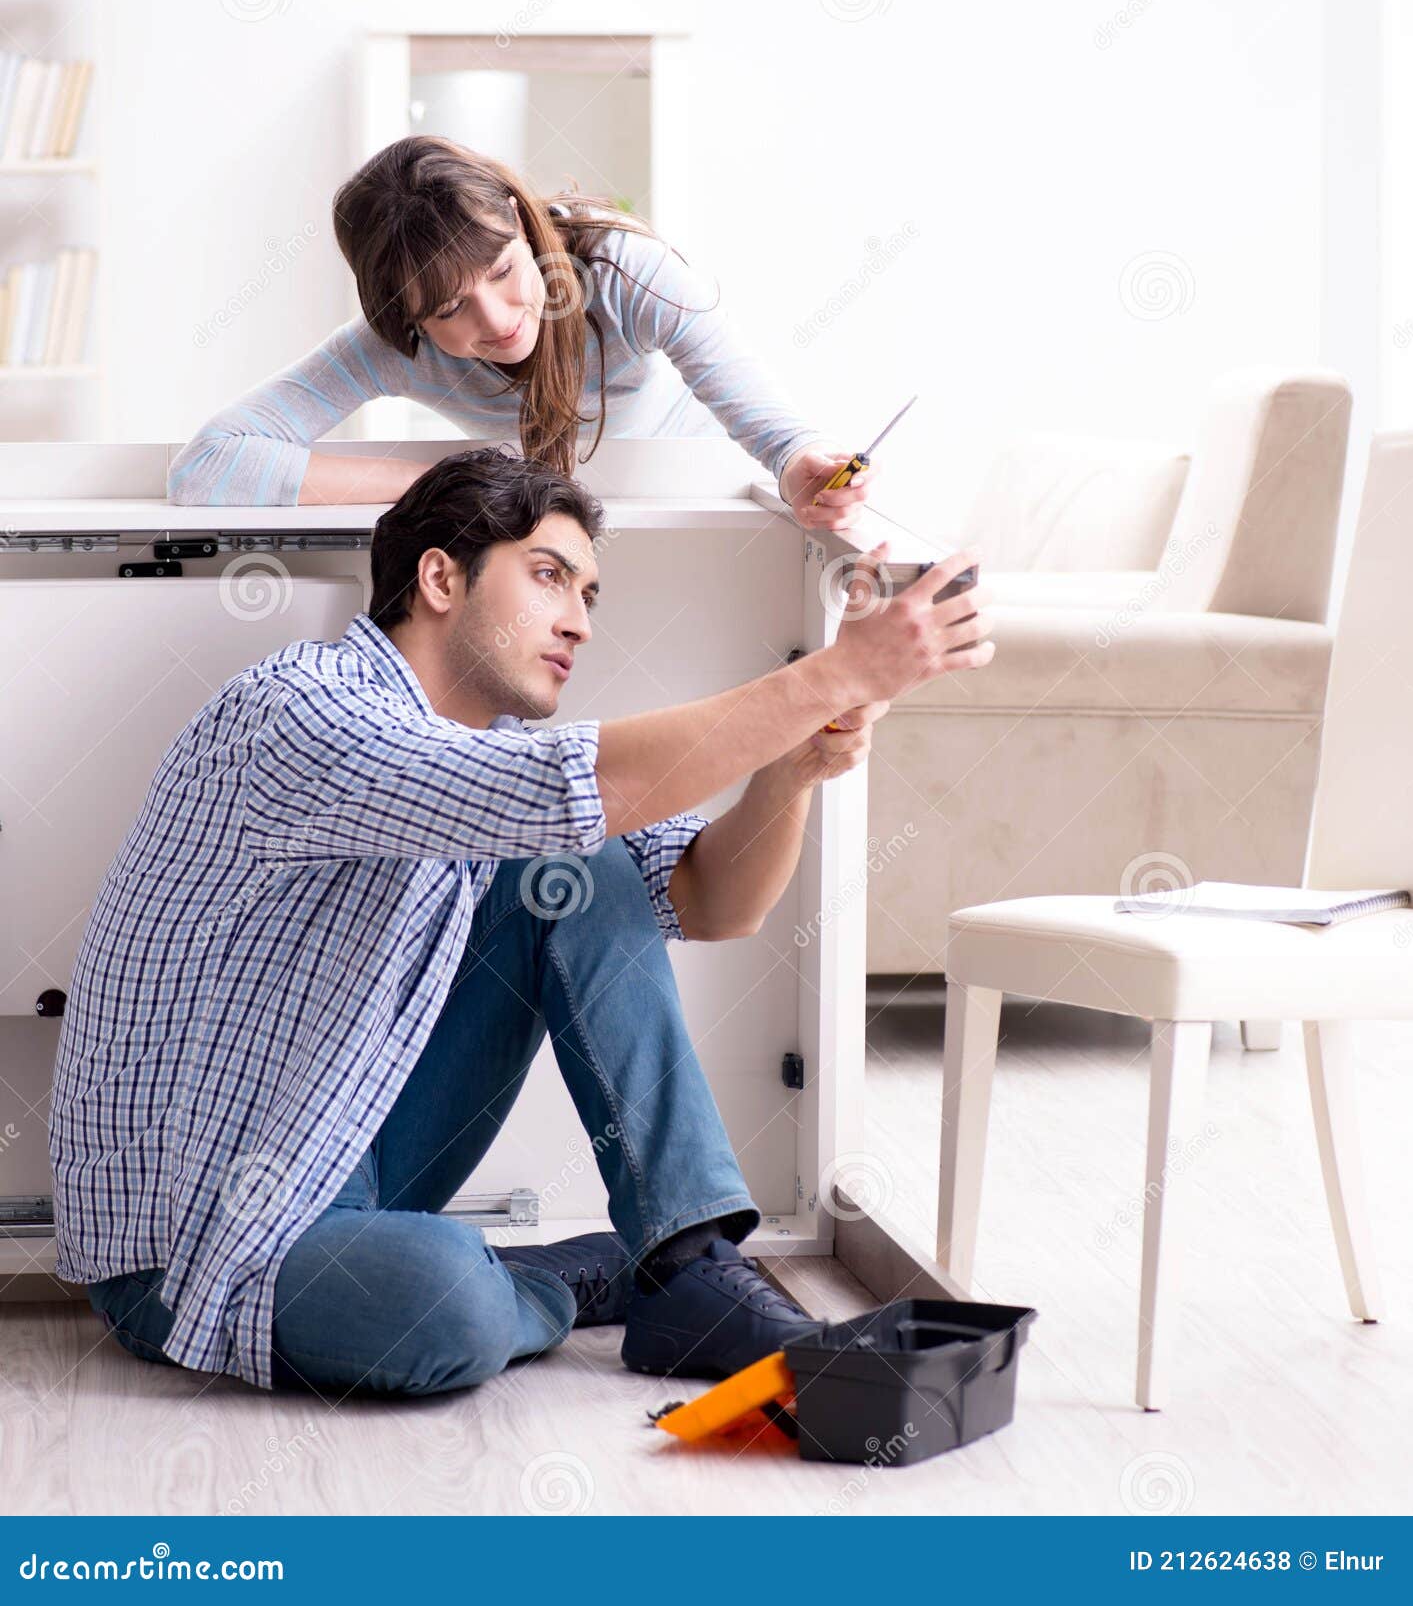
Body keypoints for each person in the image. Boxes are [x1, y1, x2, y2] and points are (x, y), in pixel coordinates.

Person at [50, 447, 991, 1398]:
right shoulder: (299, 709)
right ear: (439, 578)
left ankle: (689, 1265)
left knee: (573, 861)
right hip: (196, 1249)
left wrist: (790, 768)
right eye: (548, 578)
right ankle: (548, 1282)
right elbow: (580, 785)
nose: (578, 621)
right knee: (444, 1302)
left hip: (351, 1162)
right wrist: (830, 678)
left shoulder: (498, 761)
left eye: (589, 593)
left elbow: (716, 902)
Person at [166, 135, 877, 536]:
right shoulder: (395, 343)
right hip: (549, 531)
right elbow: (207, 468)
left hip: (693, 513)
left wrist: (797, 464)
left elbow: (762, 416)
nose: (497, 320)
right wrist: (448, 485)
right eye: (448, 310)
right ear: (403, 315)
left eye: (503, 270)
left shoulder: (620, 268)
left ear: (516, 216)